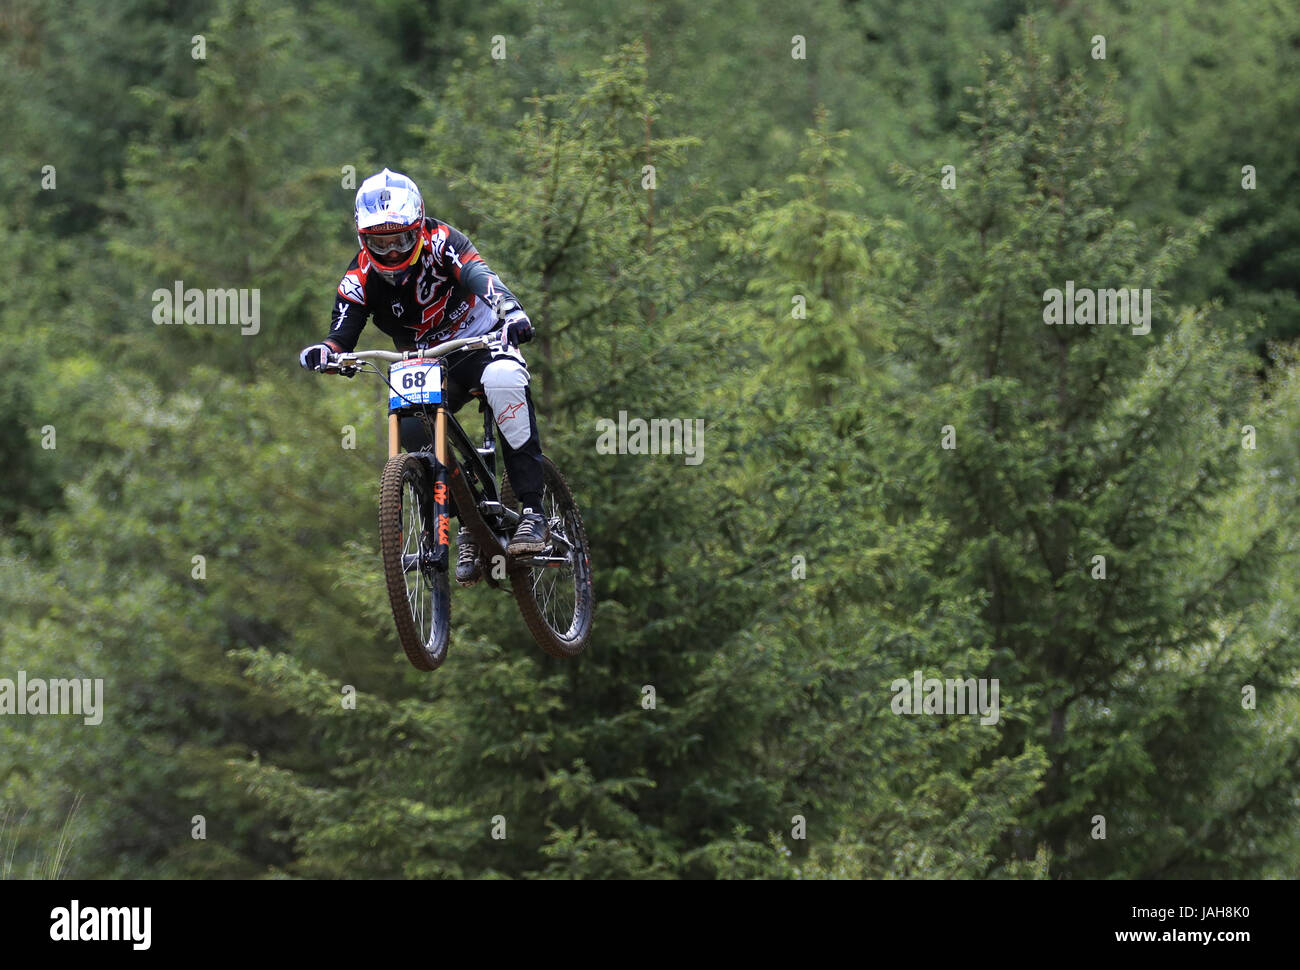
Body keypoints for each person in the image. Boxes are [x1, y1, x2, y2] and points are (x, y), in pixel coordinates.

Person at [299, 168, 547, 586]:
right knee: (411, 420)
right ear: (364, 239)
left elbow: (482, 278)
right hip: (426, 361)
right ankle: (468, 519)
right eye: (380, 242)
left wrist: (512, 313)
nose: (392, 252)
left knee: (505, 380)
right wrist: (328, 353)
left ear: (419, 226)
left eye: (400, 239)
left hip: (480, 340)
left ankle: (533, 513)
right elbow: (342, 332)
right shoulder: (359, 274)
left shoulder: (443, 243)